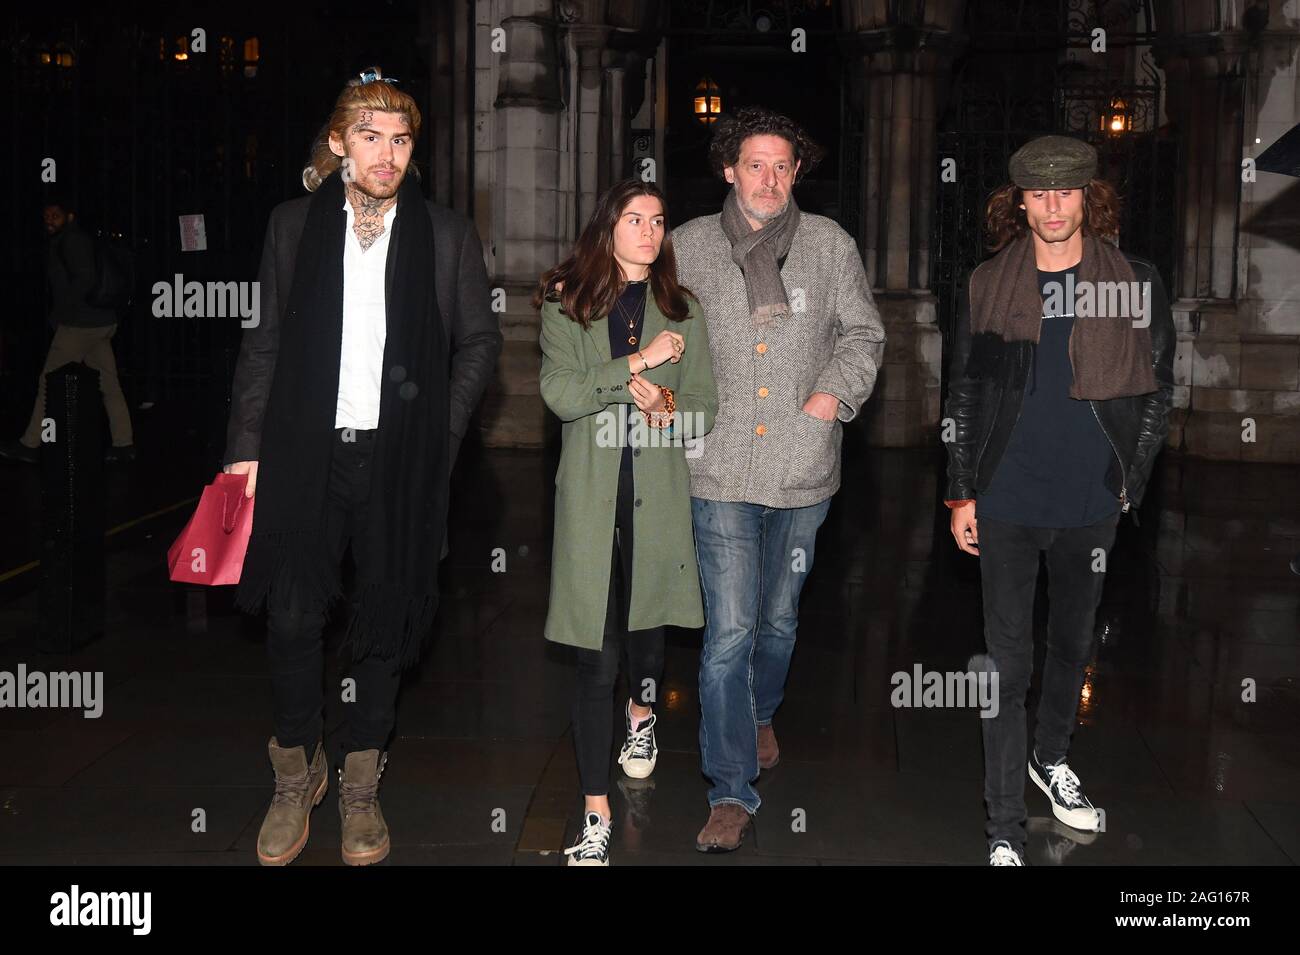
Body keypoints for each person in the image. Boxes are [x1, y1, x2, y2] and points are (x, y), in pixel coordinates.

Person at [221, 67, 501, 866]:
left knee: (384, 624)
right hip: (302, 452)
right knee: (291, 617)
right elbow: (265, 340)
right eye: (371, 137)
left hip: (398, 461)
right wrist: (244, 450)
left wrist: (437, 437)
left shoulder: (445, 234)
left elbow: (481, 343)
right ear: (340, 142)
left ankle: (360, 782)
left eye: (402, 139)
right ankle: (294, 769)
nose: (388, 153)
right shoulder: (290, 226)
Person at [942, 135, 1174, 866]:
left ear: (1088, 198)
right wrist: (958, 491)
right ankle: (1004, 825)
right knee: (1005, 664)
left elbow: (1159, 387)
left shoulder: (1134, 281)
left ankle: (1051, 755)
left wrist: (1130, 477)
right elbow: (966, 392)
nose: (1051, 206)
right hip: (1006, 499)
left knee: (1071, 646)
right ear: (1018, 201)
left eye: (1065, 192)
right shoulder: (987, 284)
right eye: (1037, 194)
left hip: (1092, 499)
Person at [672, 107, 886, 852]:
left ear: (797, 174)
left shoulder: (828, 245)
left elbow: (863, 333)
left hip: (802, 465)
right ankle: (731, 789)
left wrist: (832, 395)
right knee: (728, 631)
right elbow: (657, 335)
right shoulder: (689, 246)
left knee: (780, 619)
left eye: (782, 166)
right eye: (754, 163)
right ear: (728, 168)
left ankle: (761, 711)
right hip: (718, 466)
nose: (769, 178)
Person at [536, 178, 718, 866]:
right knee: (594, 654)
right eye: (635, 218)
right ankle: (594, 809)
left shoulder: (683, 309)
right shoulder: (568, 303)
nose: (649, 230)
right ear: (607, 227)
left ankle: (641, 715)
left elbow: (706, 406)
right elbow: (562, 393)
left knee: (645, 641)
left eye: (659, 220)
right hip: (589, 499)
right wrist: (639, 362)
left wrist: (671, 408)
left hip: (658, 498)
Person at [0, 197, 135, 464]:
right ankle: (124, 443)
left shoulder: (72, 241)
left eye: (55, 215)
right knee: (109, 383)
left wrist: (60, 314)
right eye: (46, 215)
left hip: (80, 325)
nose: (49, 220)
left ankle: (30, 444)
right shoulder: (78, 238)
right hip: (101, 322)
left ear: (69, 217)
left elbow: (84, 279)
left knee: (47, 380)